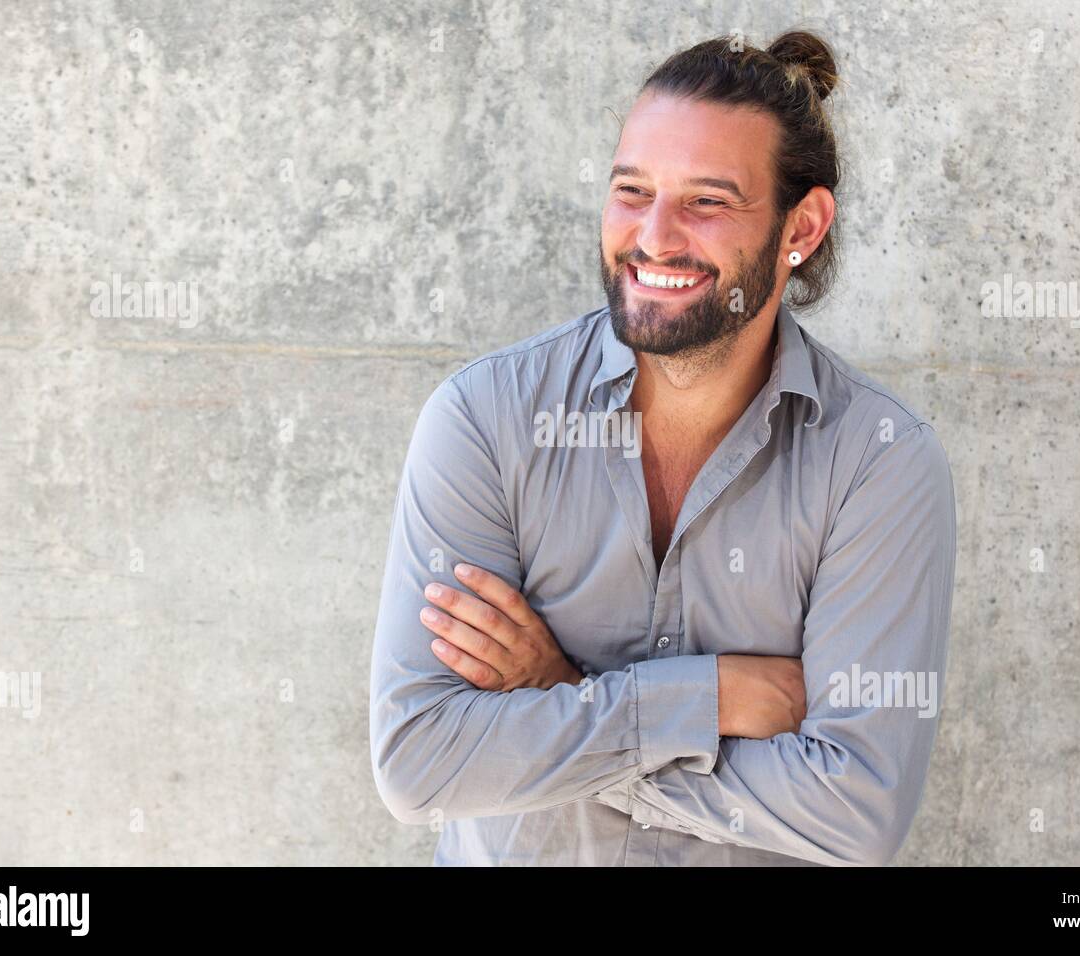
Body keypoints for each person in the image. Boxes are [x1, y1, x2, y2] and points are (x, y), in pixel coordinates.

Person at [369, 29, 957, 866]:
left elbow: (855, 812)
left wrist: (560, 696)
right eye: (631, 190)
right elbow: (421, 763)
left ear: (804, 225)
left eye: (707, 201)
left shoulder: (878, 462)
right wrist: (702, 699)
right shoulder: (486, 419)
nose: (654, 236)